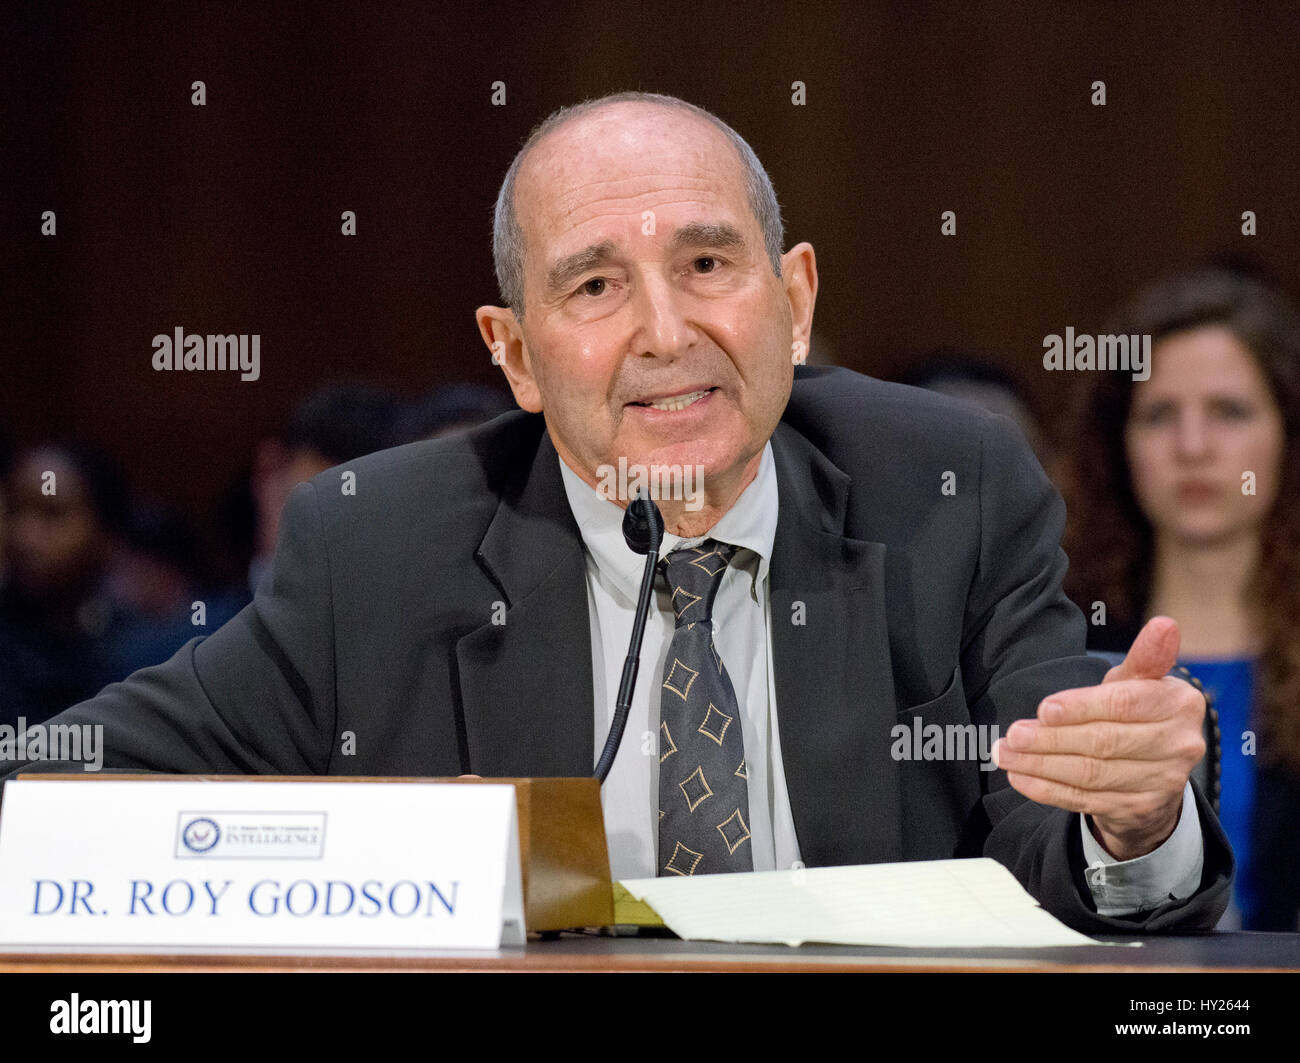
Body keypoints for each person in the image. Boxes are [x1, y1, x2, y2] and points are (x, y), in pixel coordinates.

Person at [0, 93, 1230, 933]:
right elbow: (70, 780)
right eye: (594, 284)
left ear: (791, 300)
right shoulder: (377, 546)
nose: (663, 331)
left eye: (706, 265)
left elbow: (1053, 832)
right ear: (518, 355)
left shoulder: (947, 492)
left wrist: (1131, 818)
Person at [1064, 266, 1300, 930]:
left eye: (1230, 412)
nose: (1192, 447)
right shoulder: (1054, 643)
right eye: (1160, 414)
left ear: (1288, 432)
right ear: (1119, 445)